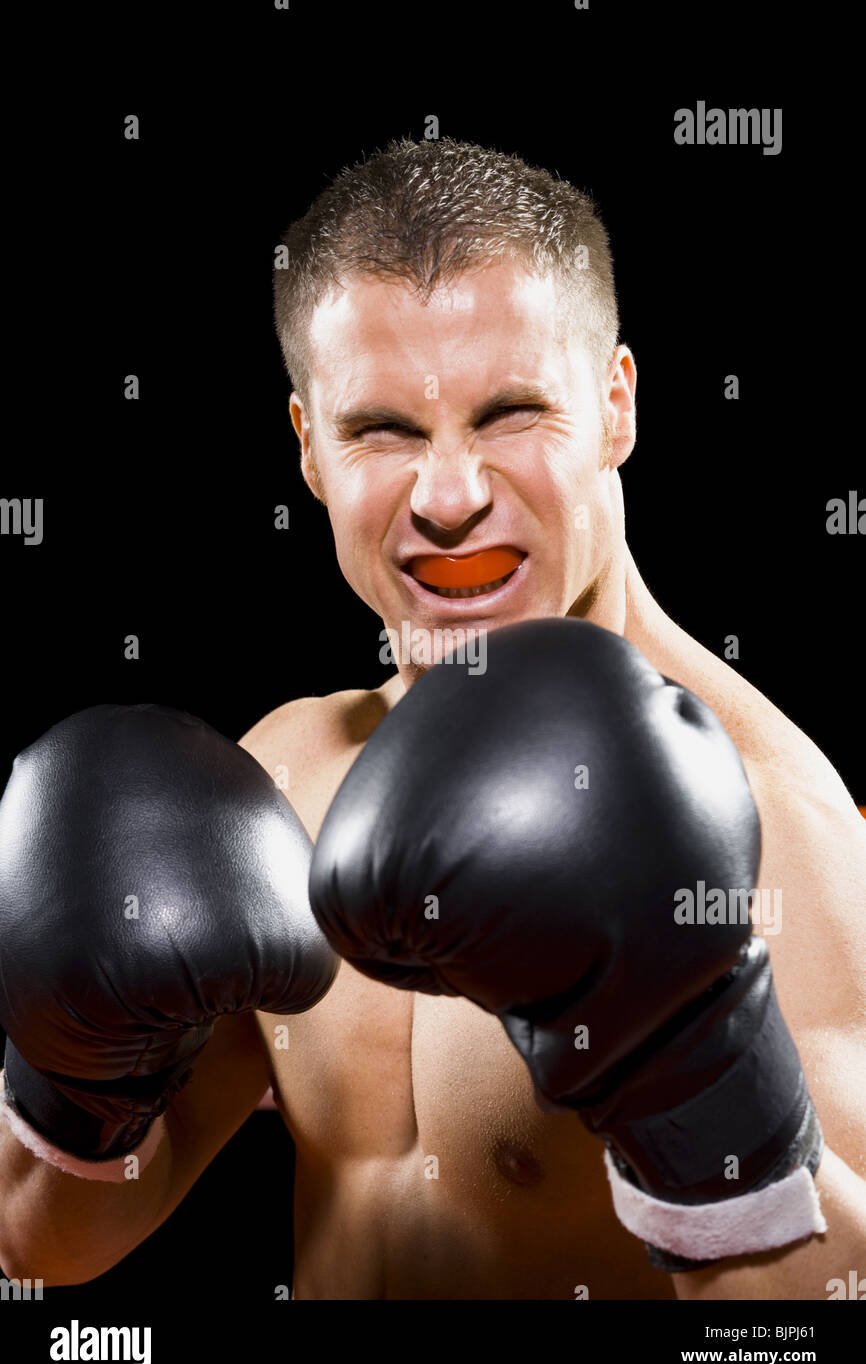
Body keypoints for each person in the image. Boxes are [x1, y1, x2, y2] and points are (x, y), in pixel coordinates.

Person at [1, 139, 864, 1300]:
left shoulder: (765, 827)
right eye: (382, 432)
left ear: (614, 408)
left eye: (509, 413)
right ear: (307, 448)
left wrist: (701, 1088)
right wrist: (77, 1091)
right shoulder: (285, 774)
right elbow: (46, 1242)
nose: (448, 499)